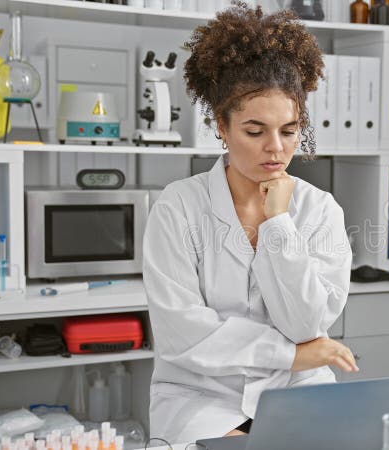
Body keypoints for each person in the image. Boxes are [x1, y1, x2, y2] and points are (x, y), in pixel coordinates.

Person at [143, 3, 357, 443]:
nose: (275, 149)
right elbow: (183, 334)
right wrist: (290, 355)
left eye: (290, 130)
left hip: (298, 391)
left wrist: (279, 222)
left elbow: (305, 327)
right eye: (255, 132)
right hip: (199, 395)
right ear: (222, 125)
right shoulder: (178, 208)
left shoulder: (319, 211)